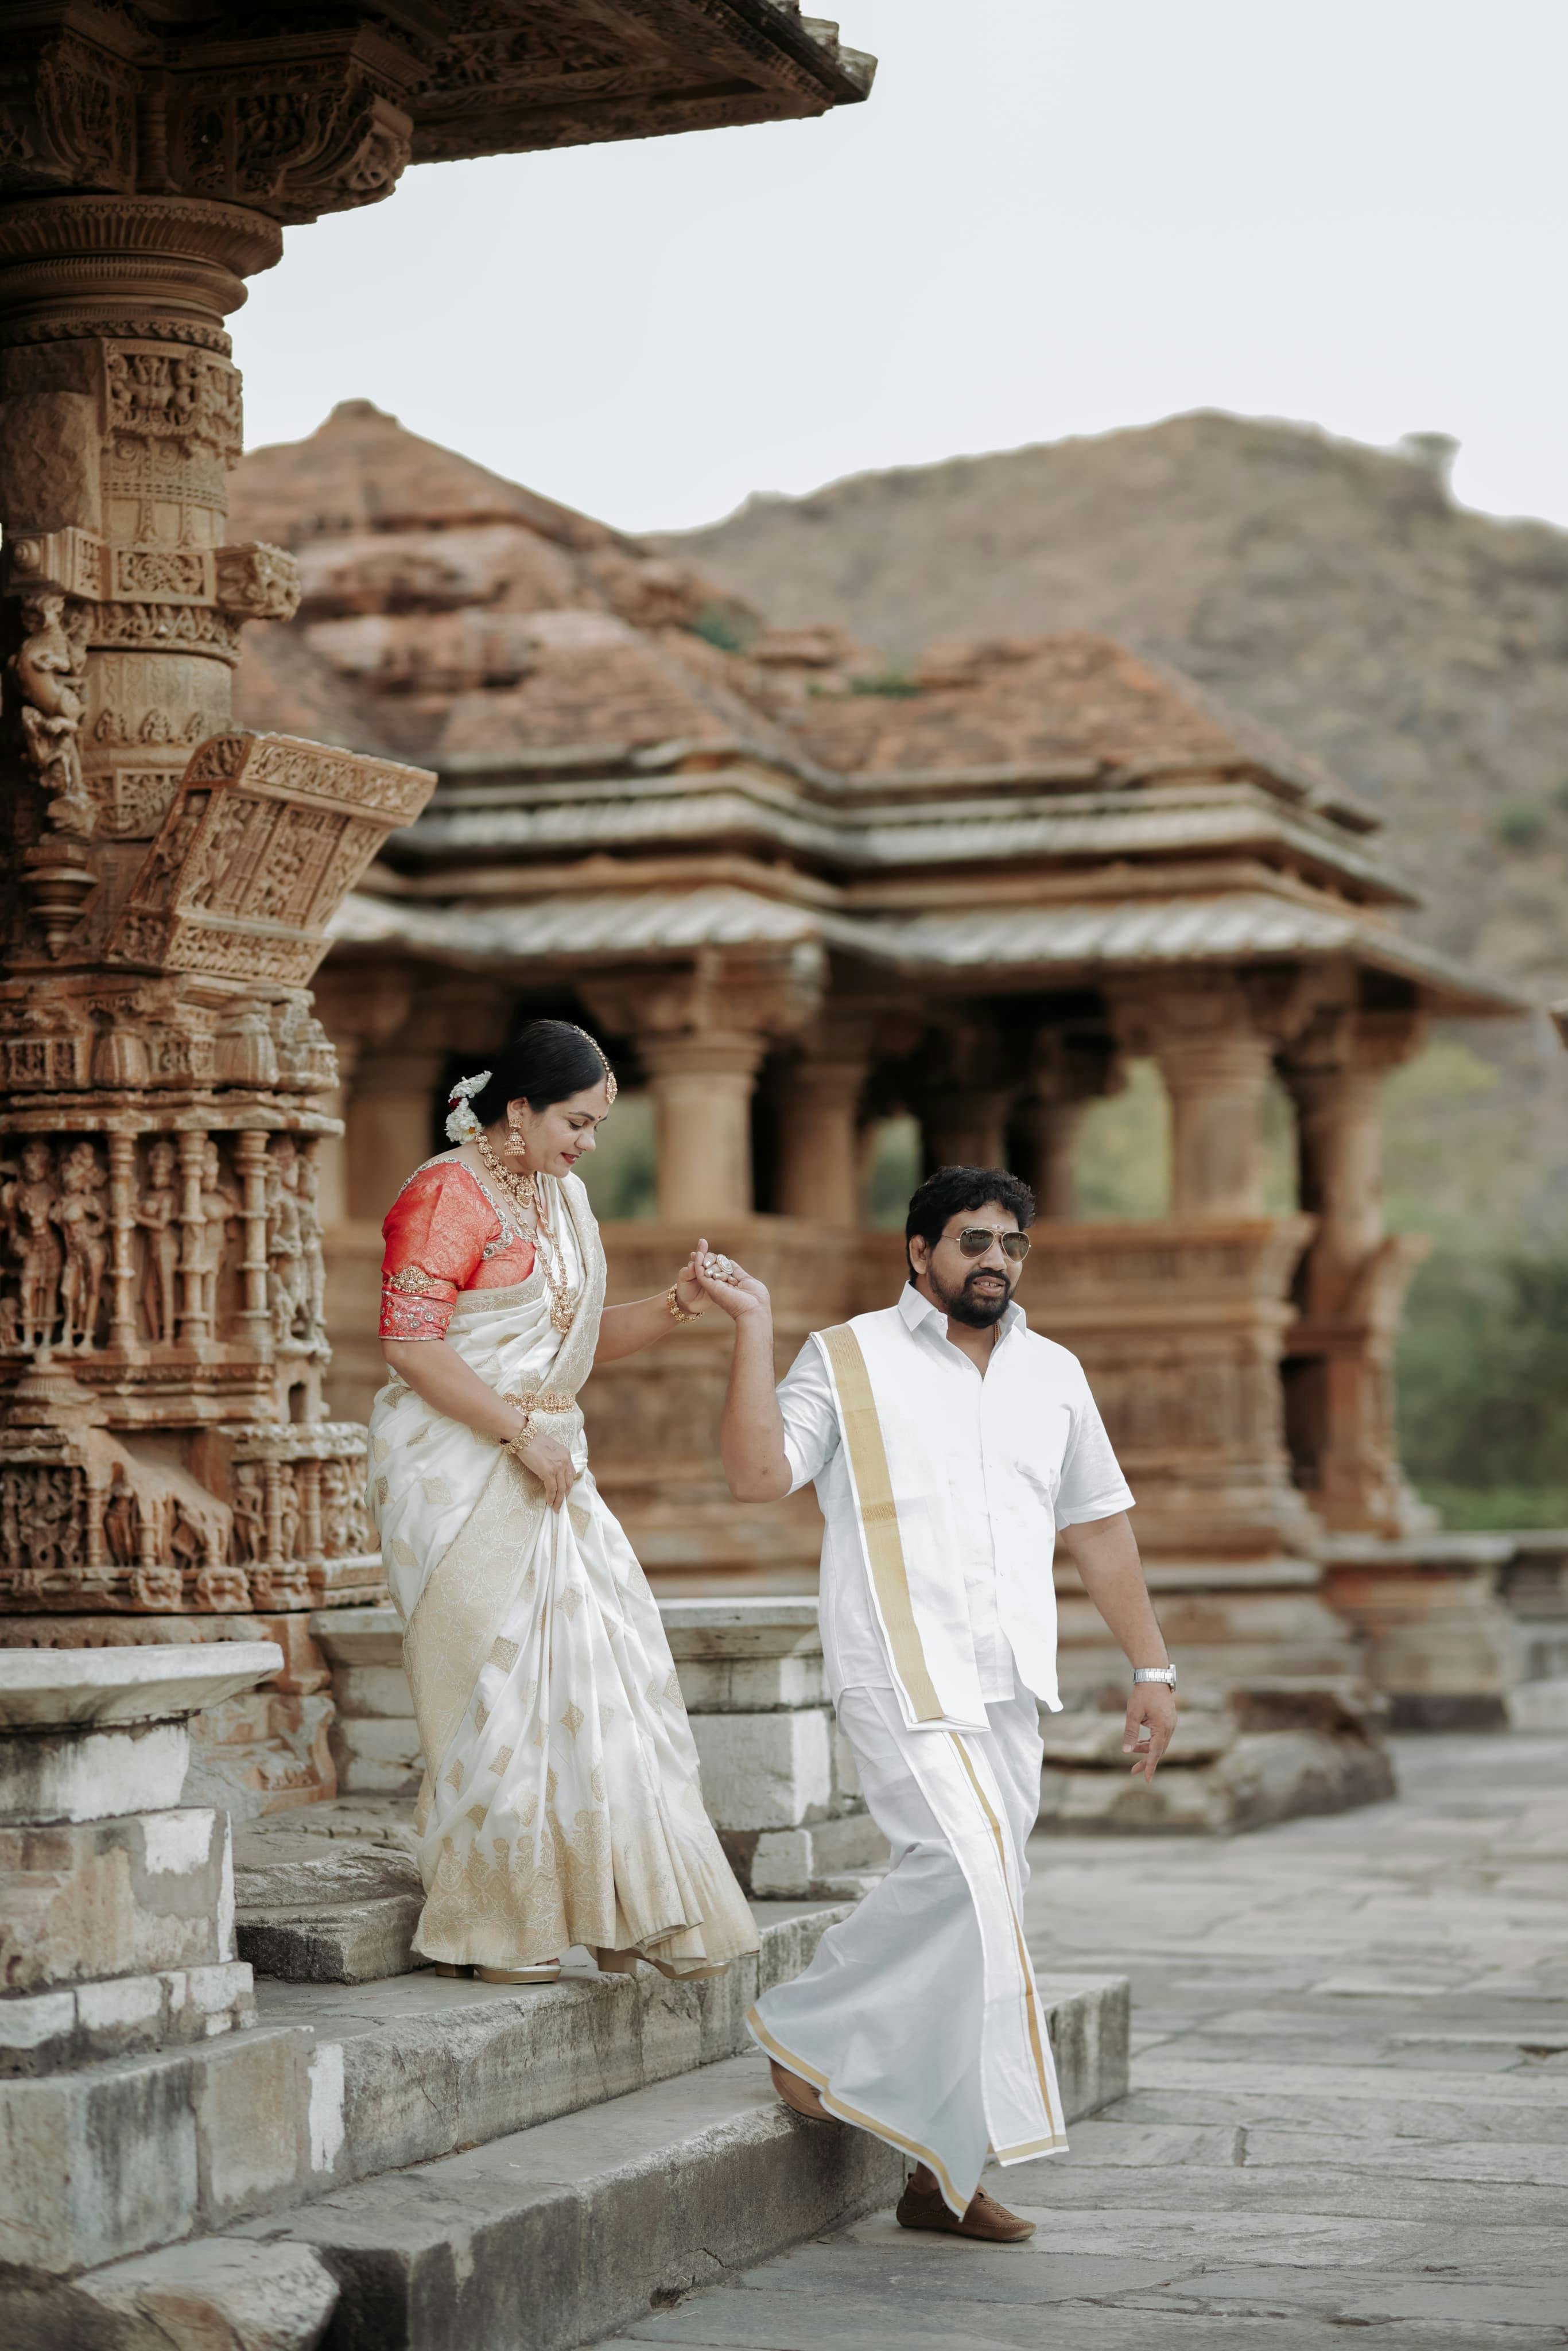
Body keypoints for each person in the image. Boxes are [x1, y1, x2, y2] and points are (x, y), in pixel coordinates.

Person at [696, 1164, 1177, 2242]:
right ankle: (806, 2028)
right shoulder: (849, 1357)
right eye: (972, 1240)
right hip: (896, 1667)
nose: (994, 1258)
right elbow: (757, 1476)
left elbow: (1097, 1526)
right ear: (921, 1253)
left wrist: (1152, 1667)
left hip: (1011, 1683)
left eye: (1010, 1241)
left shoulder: (1053, 1374)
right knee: (964, 1877)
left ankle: (941, 2177)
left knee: (985, 1907)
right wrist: (754, 1329)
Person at [368, 1019, 759, 1987]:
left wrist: (677, 1306)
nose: (589, 1143)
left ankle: (619, 1906)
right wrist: (519, 1436)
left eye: (596, 1126)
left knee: (605, 1684)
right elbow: (412, 1347)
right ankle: (503, 1922)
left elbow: (569, 1353)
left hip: (550, 1458)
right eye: (576, 1123)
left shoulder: (566, 1199)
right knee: (497, 1691)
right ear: (518, 1110)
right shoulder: (442, 1194)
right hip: (454, 1471)